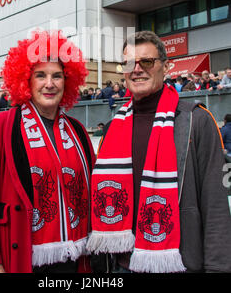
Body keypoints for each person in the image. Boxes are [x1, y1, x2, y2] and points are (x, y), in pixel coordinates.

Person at [87, 30, 231, 273]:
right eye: (129, 63)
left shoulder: (197, 121)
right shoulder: (113, 129)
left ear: (165, 68)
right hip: (122, 266)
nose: (137, 69)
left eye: (147, 61)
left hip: (179, 262)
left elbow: (215, 204)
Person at [0, 30, 95, 274]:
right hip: (23, 260)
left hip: (76, 259)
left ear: (67, 82)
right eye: (40, 75)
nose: (50, 84)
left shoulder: (78, 131)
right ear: (25, 79)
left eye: (57, 76)